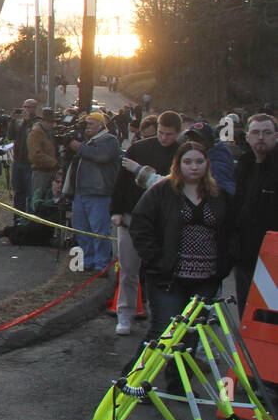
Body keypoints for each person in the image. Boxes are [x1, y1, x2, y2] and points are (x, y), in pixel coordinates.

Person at [131, 142, 235, 395]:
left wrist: (224, 265)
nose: (194, 167)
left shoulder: (218, 196)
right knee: (160, 333)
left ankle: (179, 385)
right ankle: (132, 383)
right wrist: (155, 259)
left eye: (199, 161)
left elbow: (232, 232)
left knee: (189, 337)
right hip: (168, 277)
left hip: (205, 279)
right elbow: (141, 224)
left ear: (207, 164)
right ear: (178, 165)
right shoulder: (162, 191)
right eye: (188, 162)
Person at [109, 110, 182, 335]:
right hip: (132, 216)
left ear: (178, 133)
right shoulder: (139, 148)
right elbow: (121, 180)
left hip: (163, 222)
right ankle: (125, 314)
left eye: (169, 134)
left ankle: (160, 316)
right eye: (161, 133)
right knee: (128, 269)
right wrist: (116, 210)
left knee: (160, 271)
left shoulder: (181, 153)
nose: (163, 138)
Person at [233, 114, 278, 315]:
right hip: (244, 257)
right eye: (256, 132)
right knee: (247, 316)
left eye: (267, 132)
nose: (261, 137)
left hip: (273, 257)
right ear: (248, 137)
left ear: (275, 136)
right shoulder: (244, 165)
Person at [67, 111, 121, 272]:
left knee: (99, 230)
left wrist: (78, 147)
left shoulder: (109, 140)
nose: (87, 128)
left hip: (99, 192)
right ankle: (88, 260)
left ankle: (101, 264)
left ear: (101, 125)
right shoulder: (87, 141)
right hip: (80, 192)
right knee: (80, 228)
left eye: (91, 124)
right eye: (85, 124)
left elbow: (102, 156)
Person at [10, 100, 39, 221]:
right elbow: (10, 136)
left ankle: (29, 219)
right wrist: (12, 121)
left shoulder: (37, 123)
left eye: (29, 107)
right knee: (18, 192)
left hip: (29, 163)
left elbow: (32, 135)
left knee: (30, 193)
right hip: (18, 161)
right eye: (24, 107)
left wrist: (27, 121)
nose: (26, 110)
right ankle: (17, 218)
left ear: (34, 109)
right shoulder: (19, 123)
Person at [28, 108, 59, 202]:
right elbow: (35, 155)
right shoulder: (35, 134)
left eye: (53, 122)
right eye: (49, 122)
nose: (52, 124)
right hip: (40, 172)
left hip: (50, 171)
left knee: (47, 199)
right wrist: (54, 163)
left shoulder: (48, 133)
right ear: (42, 121)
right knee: (37, 199)